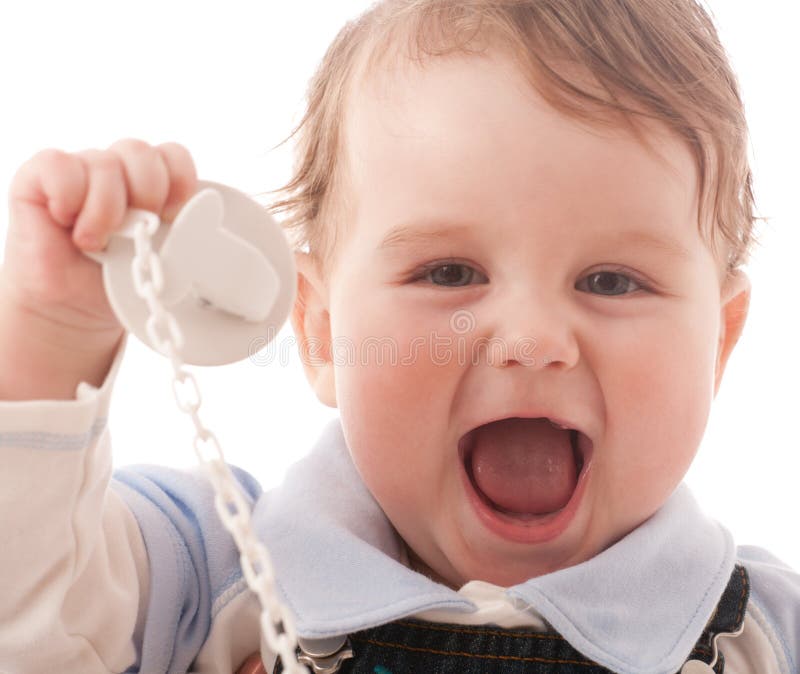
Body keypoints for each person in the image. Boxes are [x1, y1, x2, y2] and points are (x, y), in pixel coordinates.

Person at [1, 1, 797, 672]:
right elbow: (30, 620)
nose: (530, 340)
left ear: (718, 343)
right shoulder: (207, 569)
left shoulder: (764, 635)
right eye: (449, 273)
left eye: (613, 282)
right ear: (318, 329)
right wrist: (50, 339)